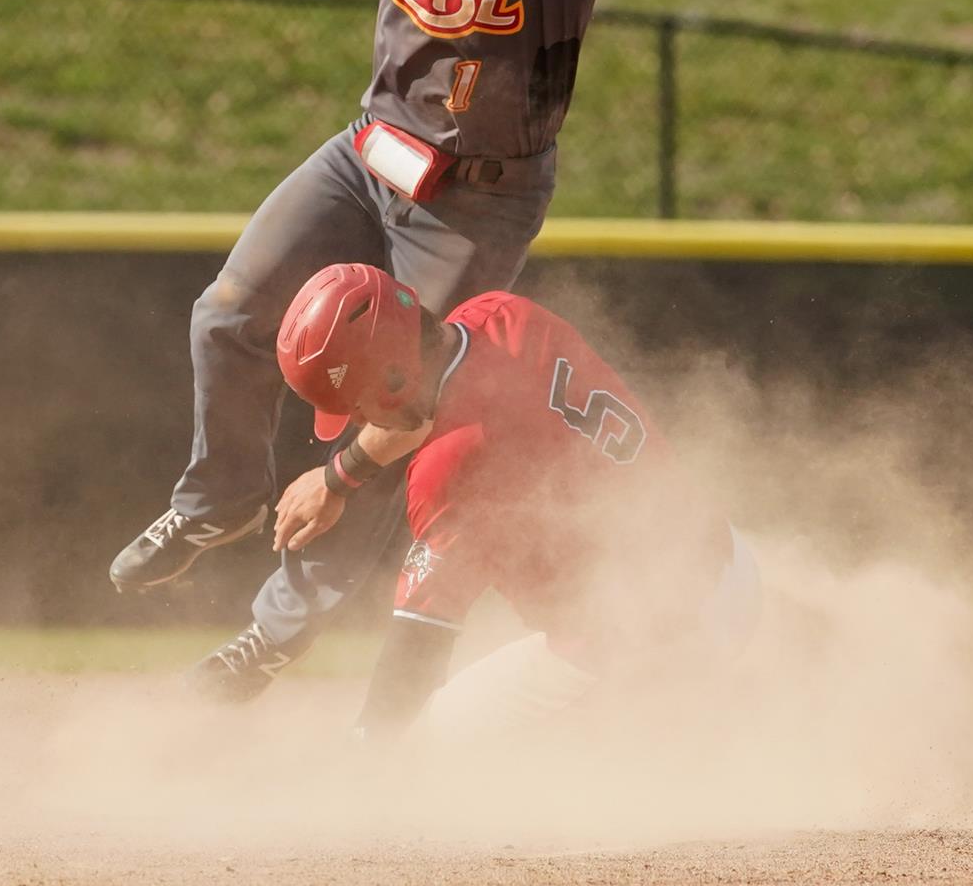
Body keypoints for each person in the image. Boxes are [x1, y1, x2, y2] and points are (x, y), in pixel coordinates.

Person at [95, 0, 803, 699]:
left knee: (386, 431)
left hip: (478, 197)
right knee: (227, 313)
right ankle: (215, 497)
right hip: (368, 152)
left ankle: (272, 634)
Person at [268, 262, 759, 741]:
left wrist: (366, 746)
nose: (355, 422)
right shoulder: (501, 314)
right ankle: (782, 639)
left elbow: (419, 642)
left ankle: (686, 728)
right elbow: (435, 408)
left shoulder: (448, 474)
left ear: (395, 379)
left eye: (356, 405)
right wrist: (337, 478)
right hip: (729, 564)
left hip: (655, 650)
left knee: (429, 743)